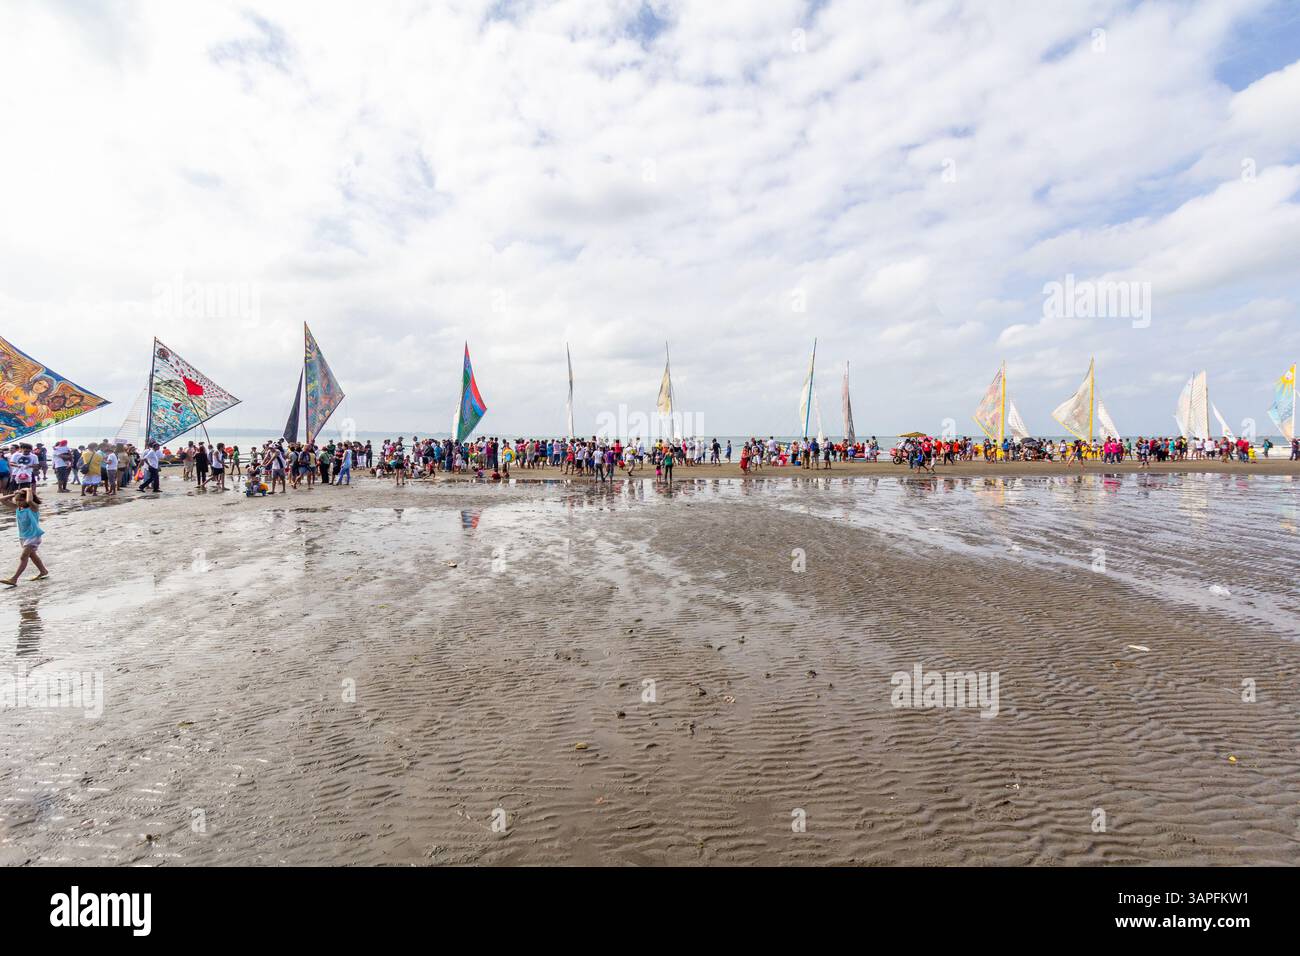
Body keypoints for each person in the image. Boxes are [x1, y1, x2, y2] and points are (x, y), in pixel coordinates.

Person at [0, 487, 48, 586]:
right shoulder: (17, 508)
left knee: (23, 557)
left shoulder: (33, 508)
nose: (18, 502)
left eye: (21, 500)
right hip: (23, 537)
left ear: (26, 499)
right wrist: (15, 494)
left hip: (33, 536)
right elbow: (2, 500)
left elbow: (29, 500)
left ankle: (14, 579)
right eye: (16, 500)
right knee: (32, 556)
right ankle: (43, 571)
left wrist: (28, 490)